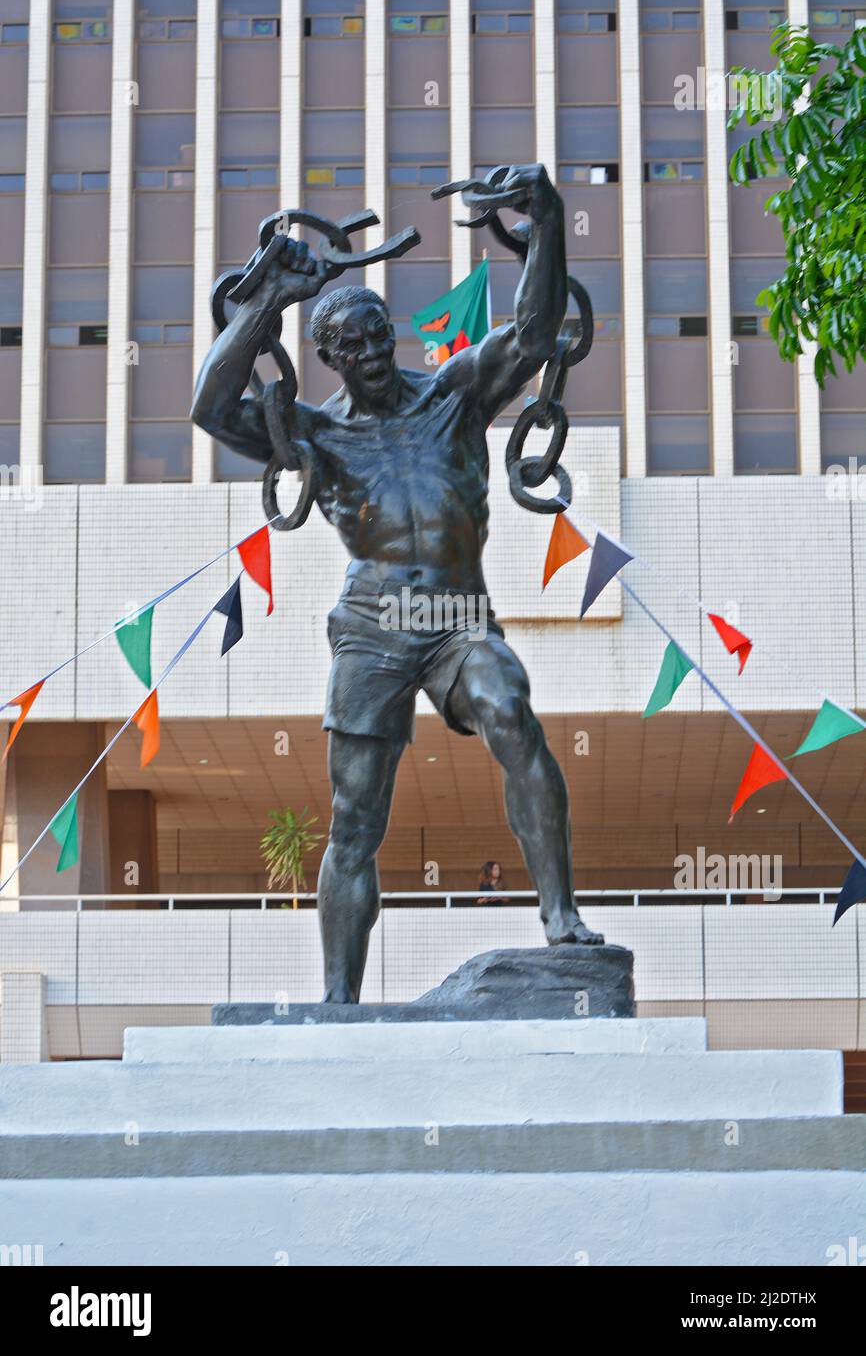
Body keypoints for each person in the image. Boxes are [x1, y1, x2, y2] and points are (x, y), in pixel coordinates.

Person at [191, 162, 602, 1004]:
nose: (374, 355)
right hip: (374, 623)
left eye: (382, 337)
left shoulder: (452, 397)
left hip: (456, 615)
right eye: (355, 347)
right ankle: (341, 1000)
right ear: (329, 355)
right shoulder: (312, 435)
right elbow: (209, 407)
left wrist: (548, 217)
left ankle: (561, 916)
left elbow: (531, 334)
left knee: (508, 710)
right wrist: (267, 299)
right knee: (356, 818)